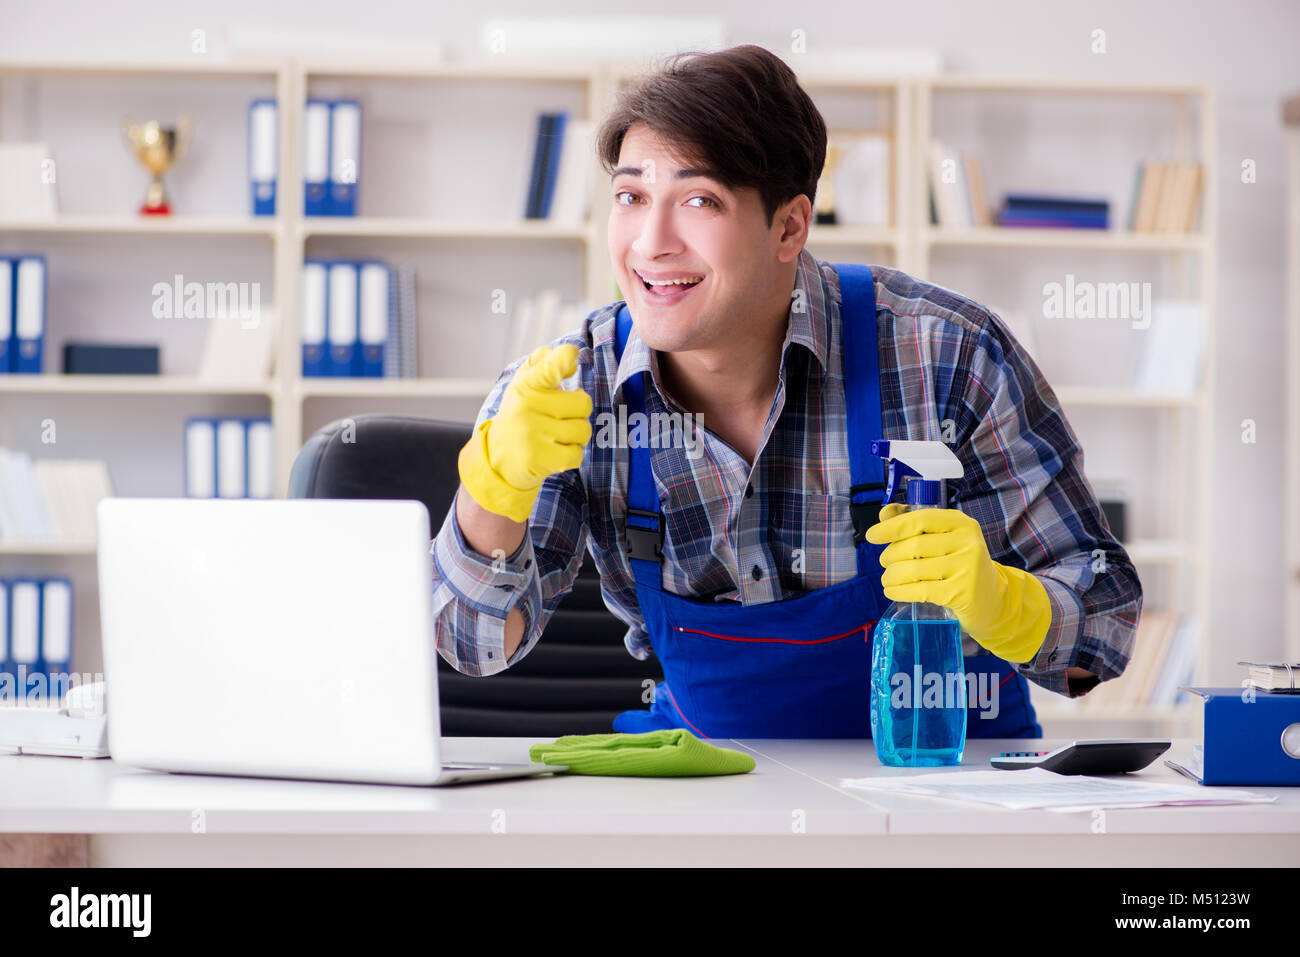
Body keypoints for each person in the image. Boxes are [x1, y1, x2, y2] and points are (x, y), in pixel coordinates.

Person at [431, 44, 1141, 739]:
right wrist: (492, 493)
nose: (651, 242)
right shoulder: (567, 389)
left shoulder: (945, 353)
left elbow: (1106, 624)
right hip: (718, 790)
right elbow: (471, 647)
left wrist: (1005, 601)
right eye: (631, 196)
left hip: (942, 789)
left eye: (699, 199)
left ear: (790, 225)